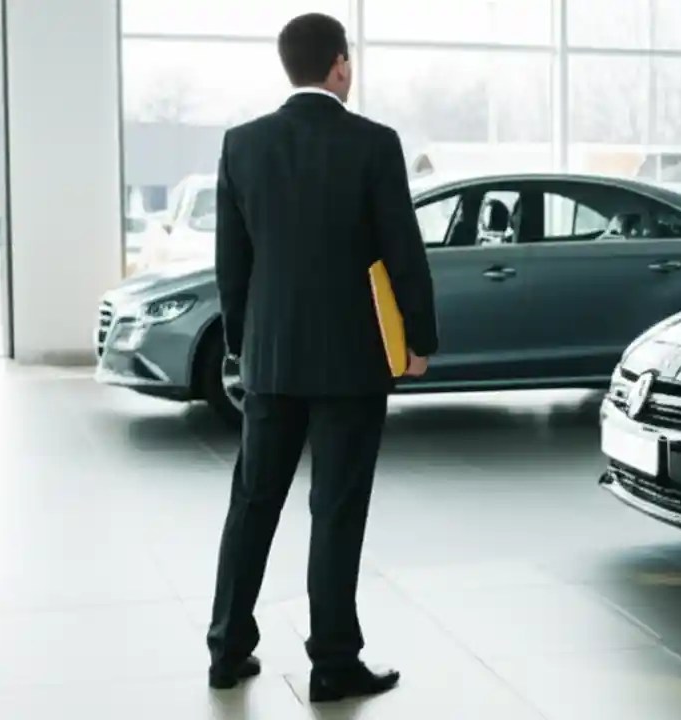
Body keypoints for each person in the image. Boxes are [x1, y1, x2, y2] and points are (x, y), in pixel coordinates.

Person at [205, 12, 439, 704]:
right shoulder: (372, 144)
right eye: (350, 59)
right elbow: (403, 250)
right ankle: (333, 662)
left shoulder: (242, 146)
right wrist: (419, 341)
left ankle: (226, 647)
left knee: (252, 503)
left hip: (271, 359)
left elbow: (232, 265)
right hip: (352, 362)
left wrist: (244, 345)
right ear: (339, 65)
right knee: (335, 510)